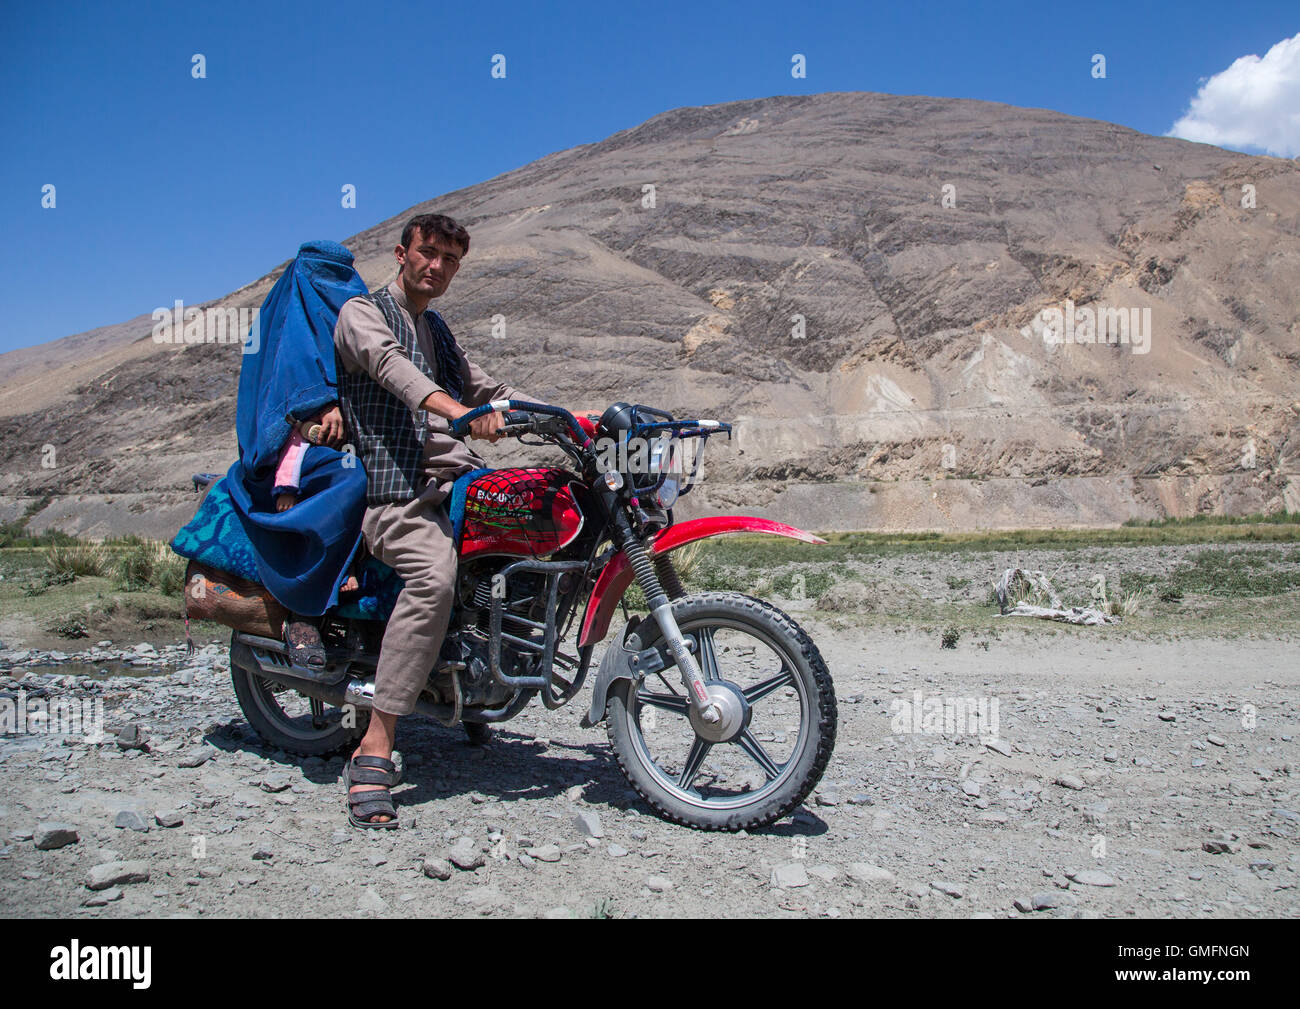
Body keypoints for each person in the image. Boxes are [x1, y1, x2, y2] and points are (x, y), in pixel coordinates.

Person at [333, 212, 584, 828]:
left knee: (536, 537)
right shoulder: (361, 315)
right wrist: (458, 413)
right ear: (401, 253)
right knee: (434, 578)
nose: (437, 267)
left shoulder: (438, 330)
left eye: (449, 260)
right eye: (428, 253)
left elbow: (491, 390)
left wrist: (581, 417)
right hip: (396, 496)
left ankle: (478, 686)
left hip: (454, 484)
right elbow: (396, 371)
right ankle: (376, 743)